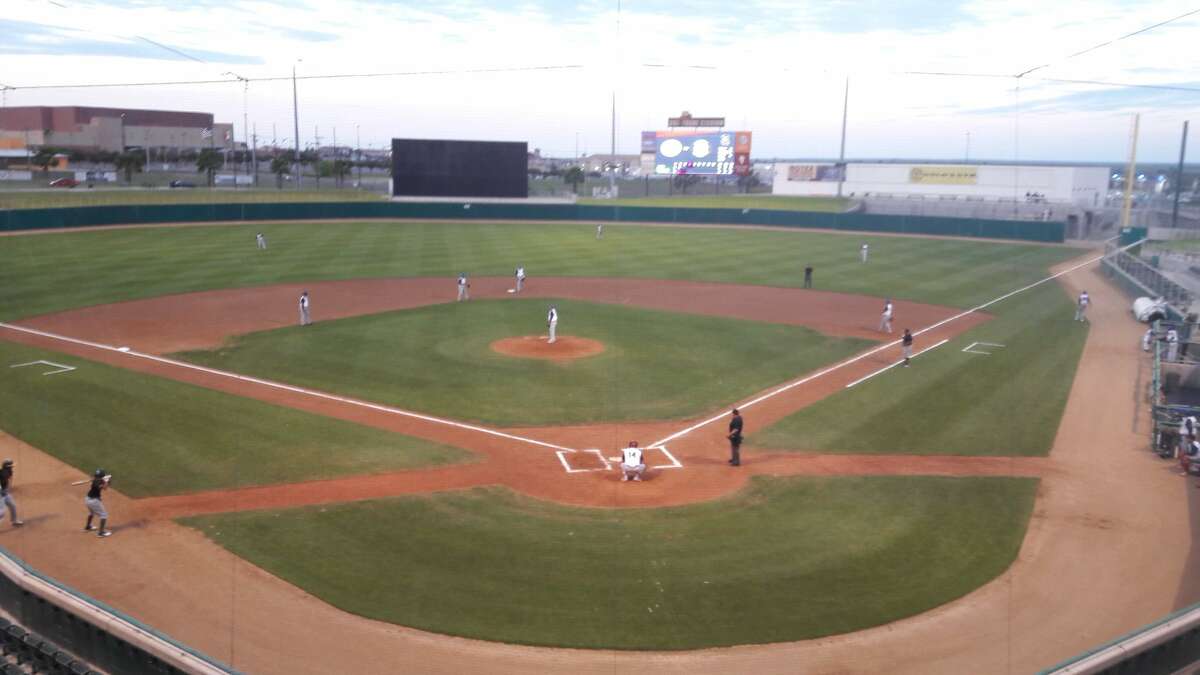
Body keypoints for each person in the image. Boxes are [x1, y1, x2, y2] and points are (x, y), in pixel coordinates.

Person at [84, 469, 112, 538]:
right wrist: (107, 481)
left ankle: (88, 526)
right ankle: (101, 532)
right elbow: (105, 488)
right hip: (94, 501)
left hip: (88, 499)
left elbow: (103, 485)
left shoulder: (96, 480)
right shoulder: (96, 483)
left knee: (91, 513)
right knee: (104, 515)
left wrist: (107, 480)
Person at [0, 460, 22, 528]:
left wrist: (8, 489)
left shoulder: (9, 471)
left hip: (5, 493)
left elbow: (10, 480)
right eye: (11, 466)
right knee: (2, 511)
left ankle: (14, 521)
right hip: (1, 494)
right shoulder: (2, 474)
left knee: (12, 505)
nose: (12, 467)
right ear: (8, 467)